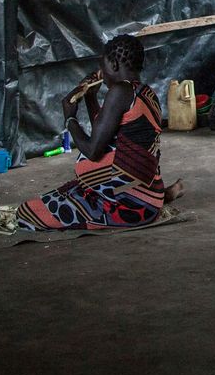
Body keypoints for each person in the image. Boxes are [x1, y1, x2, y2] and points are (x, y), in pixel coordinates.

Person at [17, 34, 183, 231]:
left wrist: (70, 118)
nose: (101, 75)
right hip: (144, 195)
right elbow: (104, 134)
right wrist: (90, 98)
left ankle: (141, 202)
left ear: (113, 64)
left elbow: (94, 150)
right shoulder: (145, 93)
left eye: (102, 67)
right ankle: (162, 196)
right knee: (60, 194)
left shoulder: (120, 91)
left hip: (126, 206)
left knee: (26, 213)